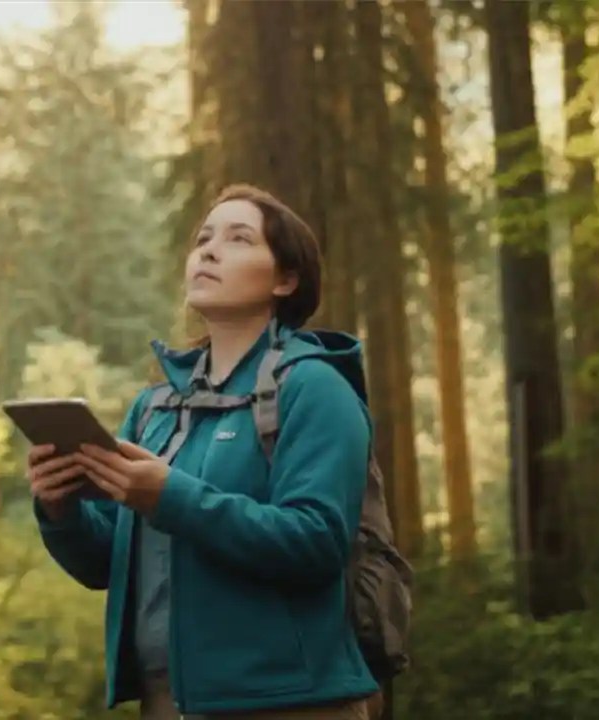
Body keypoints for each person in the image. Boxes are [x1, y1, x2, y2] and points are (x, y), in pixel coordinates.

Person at [27, 184, 383, 719]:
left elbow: (316, 543)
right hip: (167, 702)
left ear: (285, 280)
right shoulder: (155, 408)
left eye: (239, 239)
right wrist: (61, 511)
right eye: (203, 239)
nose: (209, 251)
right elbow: (106, 565)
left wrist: (171, 496)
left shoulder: (315, 388)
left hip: (289, 703)